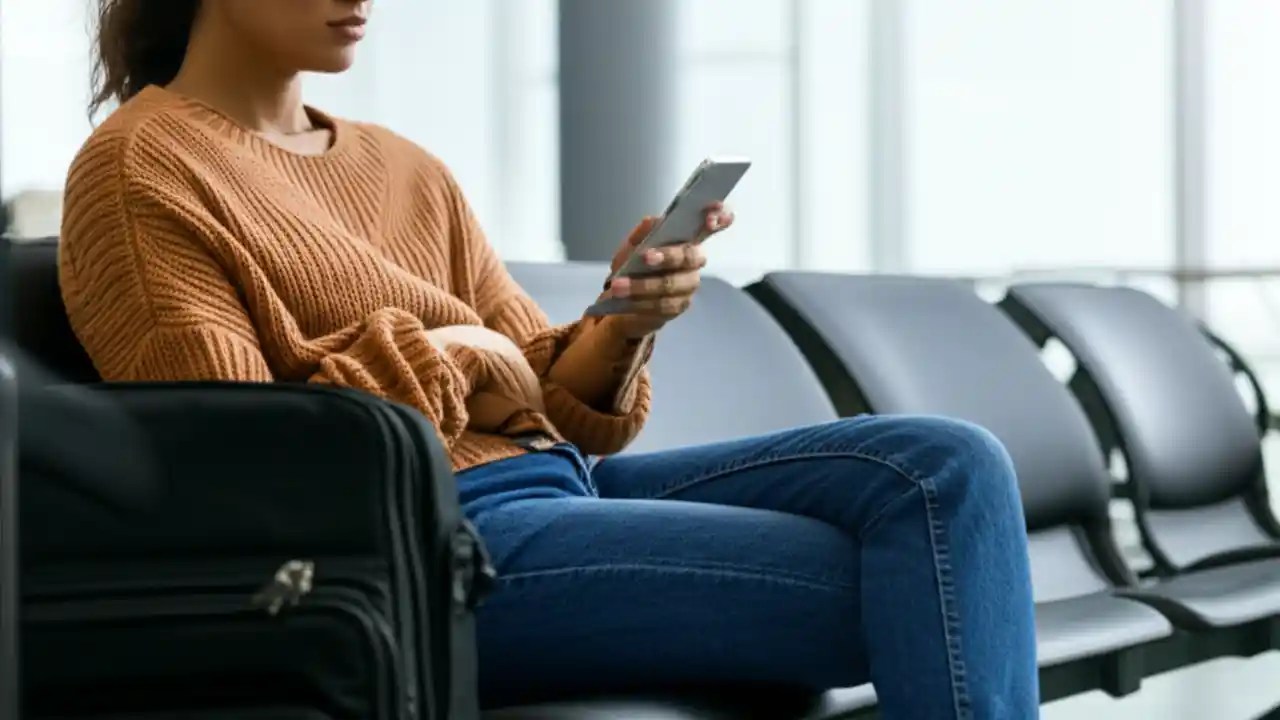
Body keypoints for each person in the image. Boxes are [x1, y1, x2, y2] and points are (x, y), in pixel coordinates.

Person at [61, 1, 1038, 716]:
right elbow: (239, 474)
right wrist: (451, 347)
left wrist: (621, 324)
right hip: (422, 551)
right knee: (925, 580)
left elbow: (545, 398)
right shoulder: (139, 168)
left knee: (944, 467)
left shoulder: (403, 167)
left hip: (562, 490)